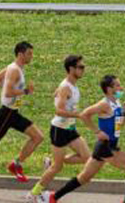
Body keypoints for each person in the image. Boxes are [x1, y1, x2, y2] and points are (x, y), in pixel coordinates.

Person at [38, 74, 125, 203]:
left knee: (83, 178)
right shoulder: (104, 104)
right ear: (109, 89)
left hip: (104, 147)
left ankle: (53, 197)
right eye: (118, 85)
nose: (121, 87)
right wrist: (97, 131)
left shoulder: (117, 103)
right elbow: (85, 114)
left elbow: (118, 127)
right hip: (106, 147)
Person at [29, 55, 90, 199]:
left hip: (70, 129)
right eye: (80, 67)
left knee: (87, 157)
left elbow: (58, 97)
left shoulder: (71, 86)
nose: (83, 70)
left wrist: (57, 95)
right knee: (57, 167)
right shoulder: (66, 87)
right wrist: (78, 115)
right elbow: (58, 111)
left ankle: (51, 161)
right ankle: (33, 193)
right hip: (59, 130)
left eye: (83, 67)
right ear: (71, 69)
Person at [0, 41, 43, 183]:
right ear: (20, 54)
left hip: (13, 113)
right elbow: (9, 92)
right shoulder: (15, 70)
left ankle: (16, 165)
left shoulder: (14, 67)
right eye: (29, 53)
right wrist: (25, 91)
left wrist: (11, 92)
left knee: (38, 137)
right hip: (6, 115)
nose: (31, 56)